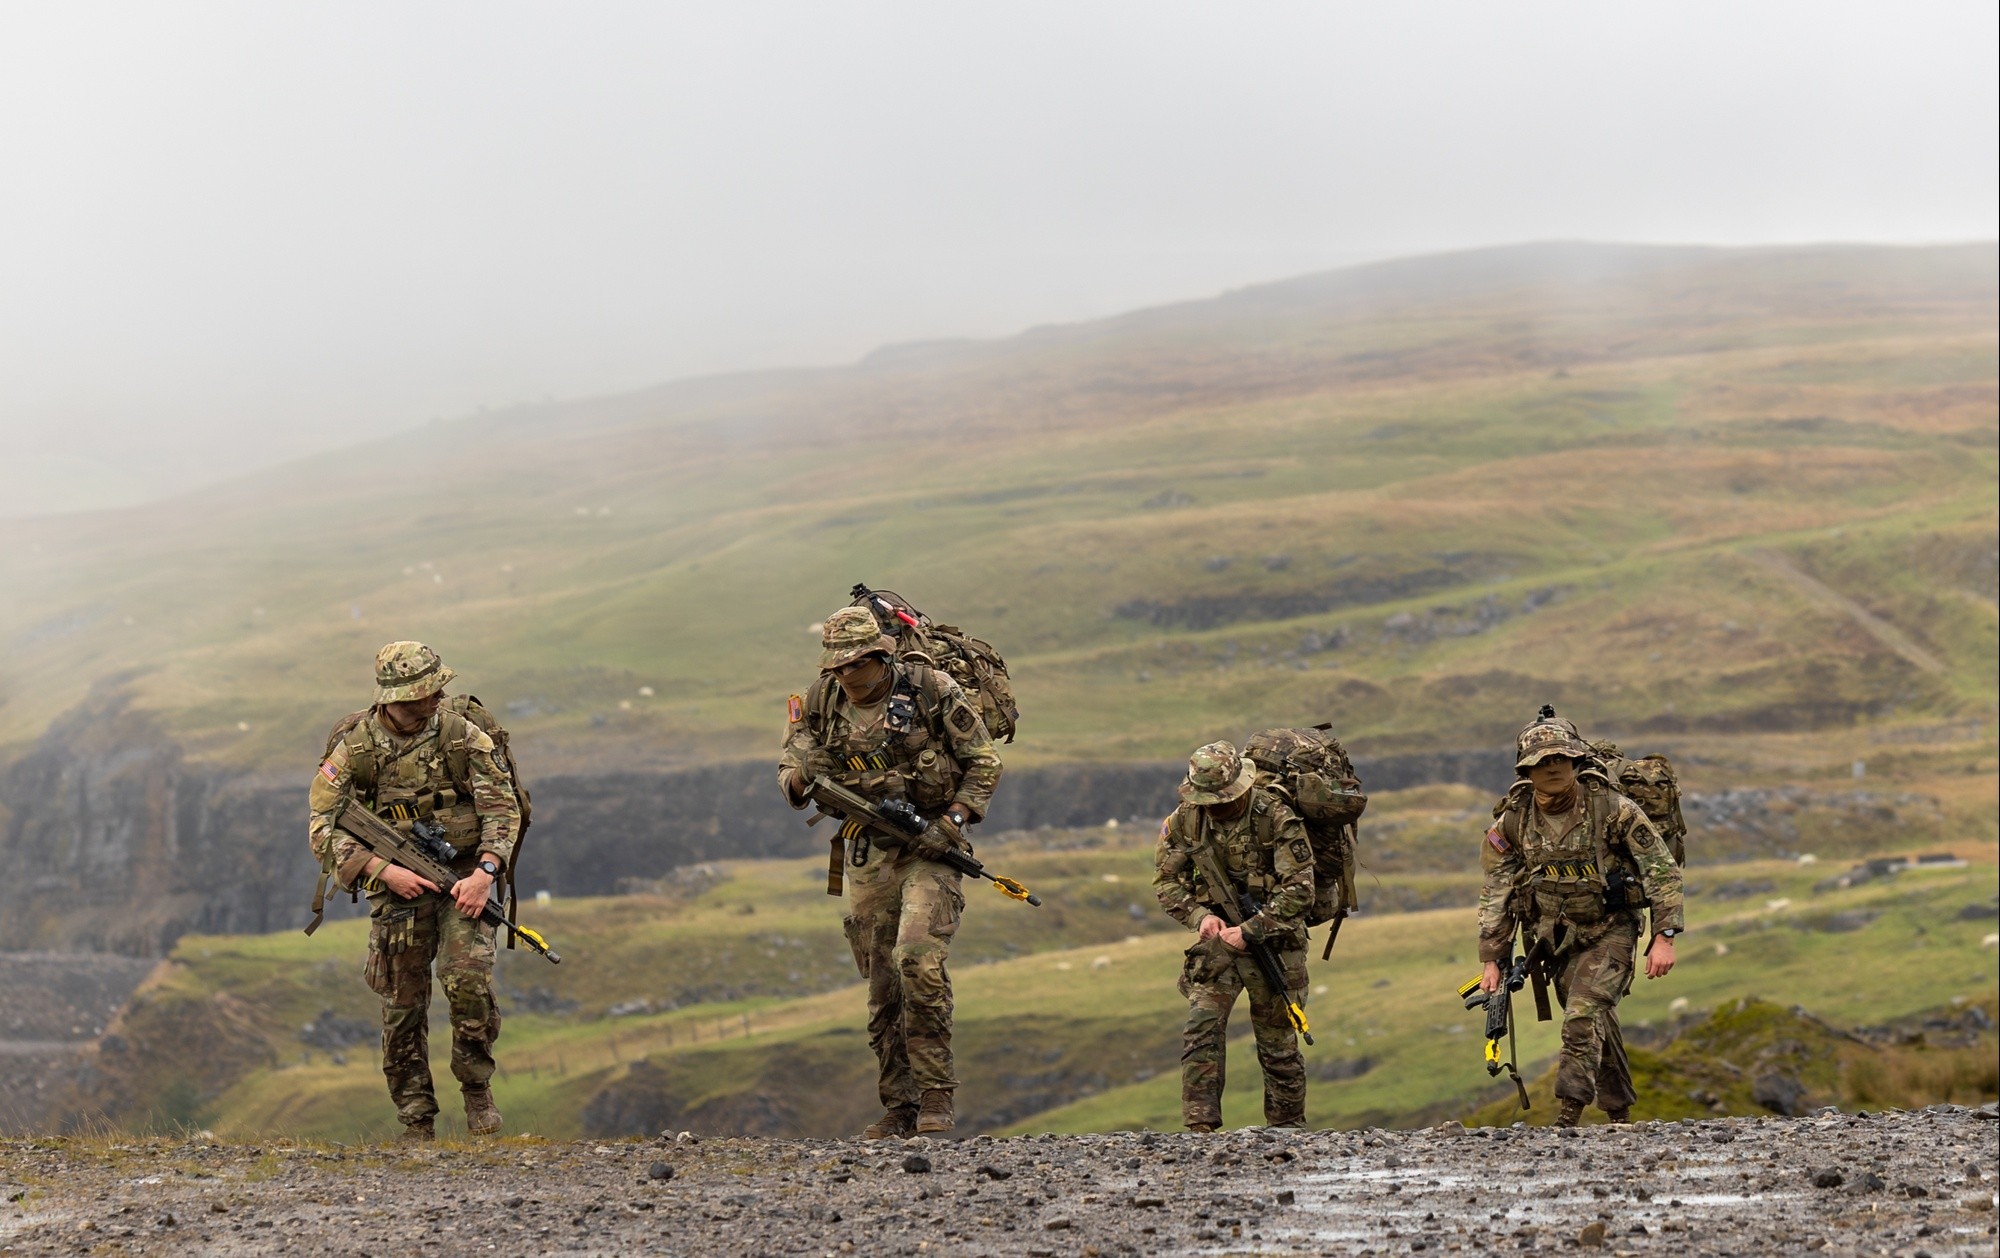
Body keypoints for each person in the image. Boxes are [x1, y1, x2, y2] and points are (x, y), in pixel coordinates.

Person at [778, 607, 1003, 1138]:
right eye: (836, 667)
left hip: (931, 846)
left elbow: (984, 762)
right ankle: (899, 1106)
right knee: (883, 984)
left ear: (880, 655)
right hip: (868, 854)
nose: (846, 674)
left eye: (855, 663)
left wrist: (951, 822)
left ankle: (936, 1096)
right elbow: (790, 775)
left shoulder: (931, 690)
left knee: (917, 959)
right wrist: (802, 774)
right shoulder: (819, 702)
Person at [308, 641, 521, 1142]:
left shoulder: (461, 735)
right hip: (396, 887)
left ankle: (476, 1088)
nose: (437, 698)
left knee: (467, 980)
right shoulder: (355, 747)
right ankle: (416, 1117)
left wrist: (484, 873)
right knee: (402, 1004)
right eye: (428, 691)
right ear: (397, 697)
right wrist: (382, 870)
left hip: (464, 878)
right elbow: (322, 824)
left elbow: (502, 807)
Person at [1476, 716, 1683, 1126]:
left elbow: (1661, 870)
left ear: (1574, 760)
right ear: (1526, 770)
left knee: (1582, 1015)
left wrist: (1665, 936)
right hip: (1555, 939)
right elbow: (1497, 889)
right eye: (1541, 761)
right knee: (1594, 1020)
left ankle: (1568, 1114)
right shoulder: (1513, 821)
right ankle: (1619, 1113)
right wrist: (1492, 959)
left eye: (1560, 758)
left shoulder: (1613, 808)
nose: (1552, 767)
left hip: (1612, 929)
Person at [1152, 741, 1315, 1132]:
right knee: (1201, 1030)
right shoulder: (1186, 821)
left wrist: (1251, 930)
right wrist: (1200, 917)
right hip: (1219, 944)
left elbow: (1300, 890)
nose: (1215, 808)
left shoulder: (1276, 818)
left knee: (1277, 1043)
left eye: (1222, 800)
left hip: (1275, 942)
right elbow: (1165, 881)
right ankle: (1200, 1128)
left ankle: (1287, 1131)